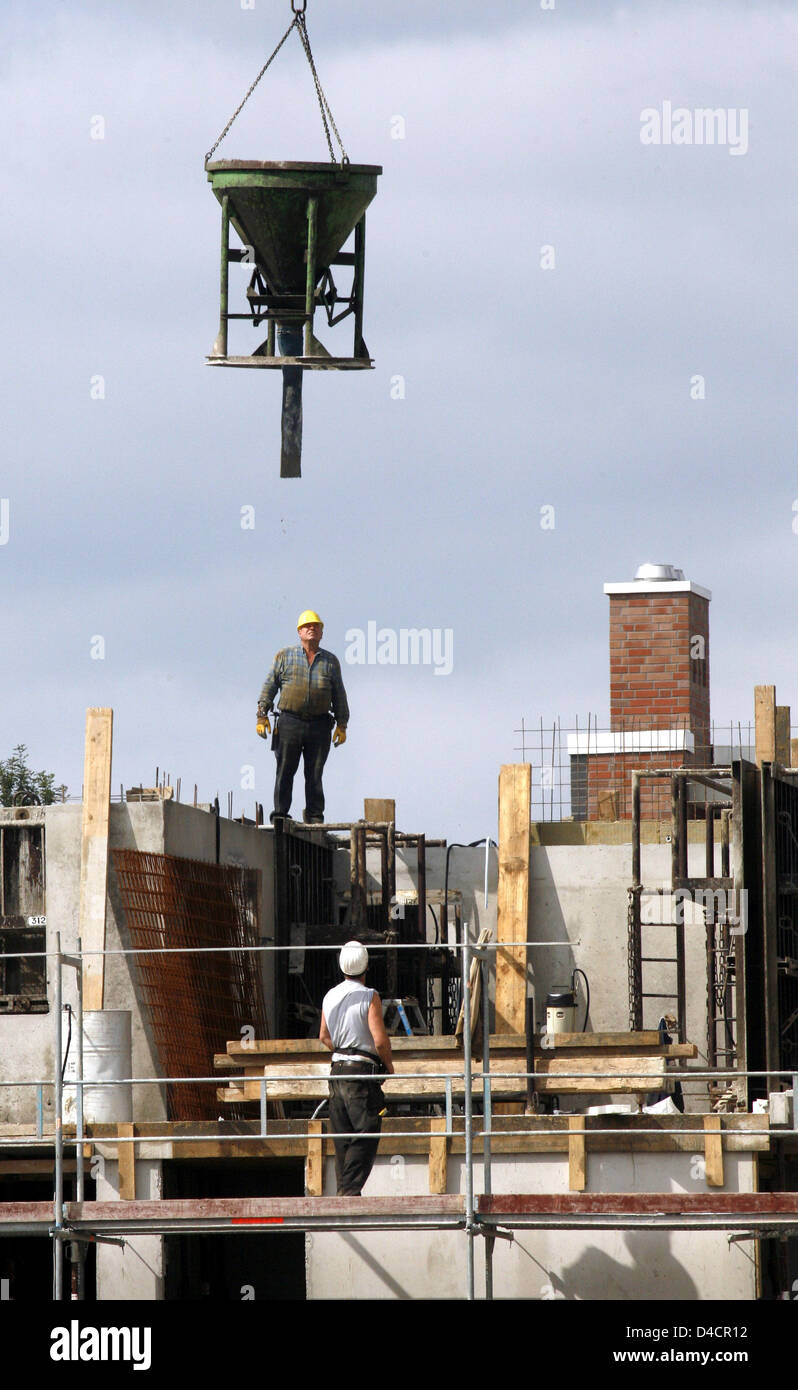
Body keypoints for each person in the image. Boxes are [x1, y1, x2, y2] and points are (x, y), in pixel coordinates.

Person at [256, 609, 349, 824]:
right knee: (285, 769)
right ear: (299, 631)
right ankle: (280, 814)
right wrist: (262, 716)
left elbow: (339, 694)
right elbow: (269, 686)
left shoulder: (330, 662)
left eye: (316, 626)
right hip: (290, 722)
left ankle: (315, 816)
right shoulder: (284, 656)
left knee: (315, 773)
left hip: (319, 725)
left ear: (321, 632)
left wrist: (342, 725)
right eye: (307, 626)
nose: (311, 629)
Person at [319, 941, 394, 1196]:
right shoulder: (369, 995)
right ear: (366, 966)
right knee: (368, 1128)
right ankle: (350, 1192)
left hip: (337, 1071)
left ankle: (344, 1192)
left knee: (343, 1135)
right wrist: (389, 1065)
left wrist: (342, 1049)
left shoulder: (329, 995)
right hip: (361, 1074)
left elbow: (324, 1036)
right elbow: (380, 1040)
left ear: (341, 966)